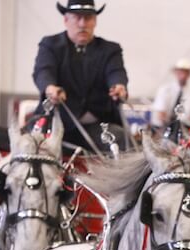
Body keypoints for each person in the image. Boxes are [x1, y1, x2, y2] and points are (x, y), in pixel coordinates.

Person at [32, 0, 129, 152]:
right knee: (32, 145)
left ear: (95, 21)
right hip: (57, 123)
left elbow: (116, 72)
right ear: (66, 20)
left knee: (122, 141)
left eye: (88, 18)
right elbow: (43, 71)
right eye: (77, 17)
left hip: (100, 126)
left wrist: (119, 86)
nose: (83, 24)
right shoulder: (50, 45)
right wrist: (50, 88)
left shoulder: (110, 50)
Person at [151, 59, 190, 129]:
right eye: (180, 72)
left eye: (186, 72)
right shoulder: (164, 90)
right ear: (176, 72)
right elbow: (160, 113)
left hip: (187, 129)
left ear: (189, 74)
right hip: (164, 128)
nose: (183, 75)